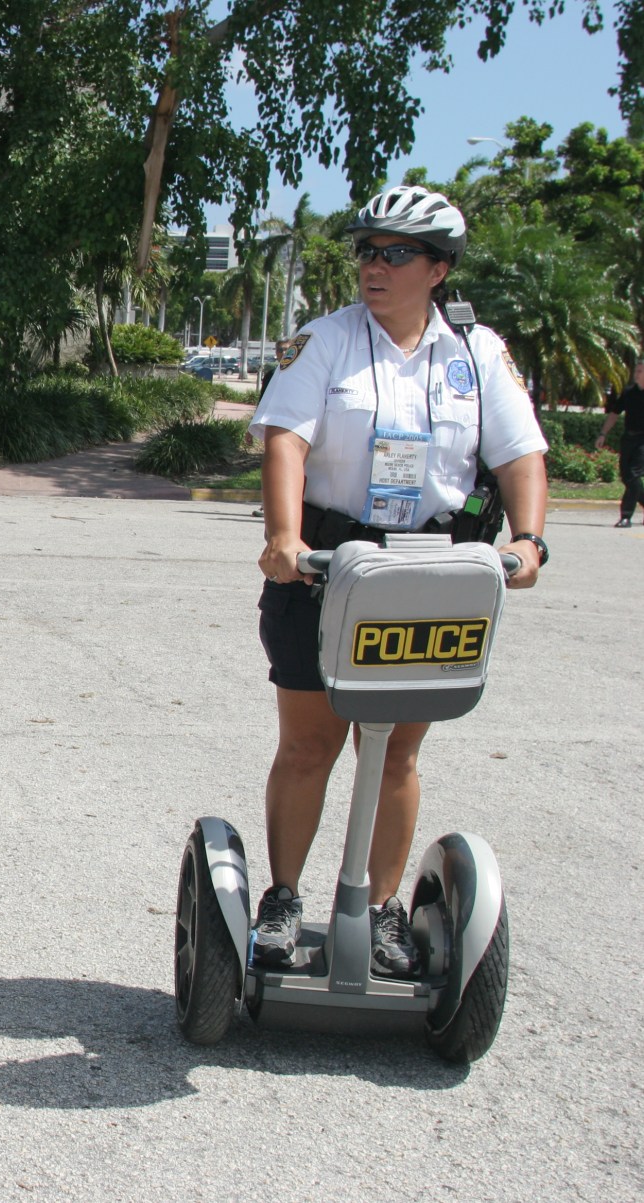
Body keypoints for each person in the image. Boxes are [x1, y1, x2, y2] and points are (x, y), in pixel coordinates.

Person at [248, 185, 548, 978]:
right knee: (310, 743)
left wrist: (530, 540)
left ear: (439, 268)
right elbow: (287, 441)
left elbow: (521, 455)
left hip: (430, 572)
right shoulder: (326, 341)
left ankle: (381, 911)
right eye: (366, 251)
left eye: (395, 254)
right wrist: (285, 537)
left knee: (398, 750)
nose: (373, 267)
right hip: (325, 567)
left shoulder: (477, 357)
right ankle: (282, 900)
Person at [596, 361, 644, 527]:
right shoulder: (629, 392)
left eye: (639, 371)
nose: (636, 374)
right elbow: (614, 413)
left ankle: (626, 516)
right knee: (626, 476)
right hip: (629, 438)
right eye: (636, 371)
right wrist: (603, 434)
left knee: (633, 475)